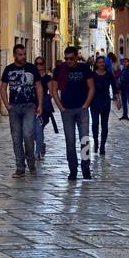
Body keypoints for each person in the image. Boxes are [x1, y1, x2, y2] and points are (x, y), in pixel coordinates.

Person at [51, 46, 95, 181]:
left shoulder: (84, 68)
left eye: (71, 58)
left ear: (77, 57)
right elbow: (53, 90)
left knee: (85, 139)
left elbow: (91, 87)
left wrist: (86, 105)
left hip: (82, 110)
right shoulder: (59, 69)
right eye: (66, 58)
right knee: (70, 142)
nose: (68, 61)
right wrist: (61, 108)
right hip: (67, 110)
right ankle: (73, 170)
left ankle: (86, 168)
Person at [0, 44, 43, 177]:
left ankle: (31, 163)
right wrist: (7, 105)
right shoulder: (8, 69)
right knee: (16, 138)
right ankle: (20, 168)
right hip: (15, 107)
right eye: (20, 55)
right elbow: (2, 88)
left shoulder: (32, 68)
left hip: (29, 106)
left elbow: (39, 87)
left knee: (28, 135)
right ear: (15, 55)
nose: (23, 57)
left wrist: (40, 105)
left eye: (24, 54)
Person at [90, 56, 116, 155]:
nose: (101, 64)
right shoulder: (92, 75)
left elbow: (114, 87)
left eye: (103, 62)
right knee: (95, 123)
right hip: (94, 102)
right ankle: (96, 141)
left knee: (104, 125)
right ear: (96, 64)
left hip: (105, 102)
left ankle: (102, 146)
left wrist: (118, 100)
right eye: (99, 62)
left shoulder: (109, 74)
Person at [33, 55, 54, 161]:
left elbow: (52, 92)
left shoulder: (47, 78)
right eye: (36, 64)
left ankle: (38, 150)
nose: (38, 66)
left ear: (44, 65)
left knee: (39, 128)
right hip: (33, 105)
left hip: (44, 108)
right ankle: (40, 146)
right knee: (34, 130)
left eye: (40, 64)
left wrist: (45, 99)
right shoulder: (32, 77)